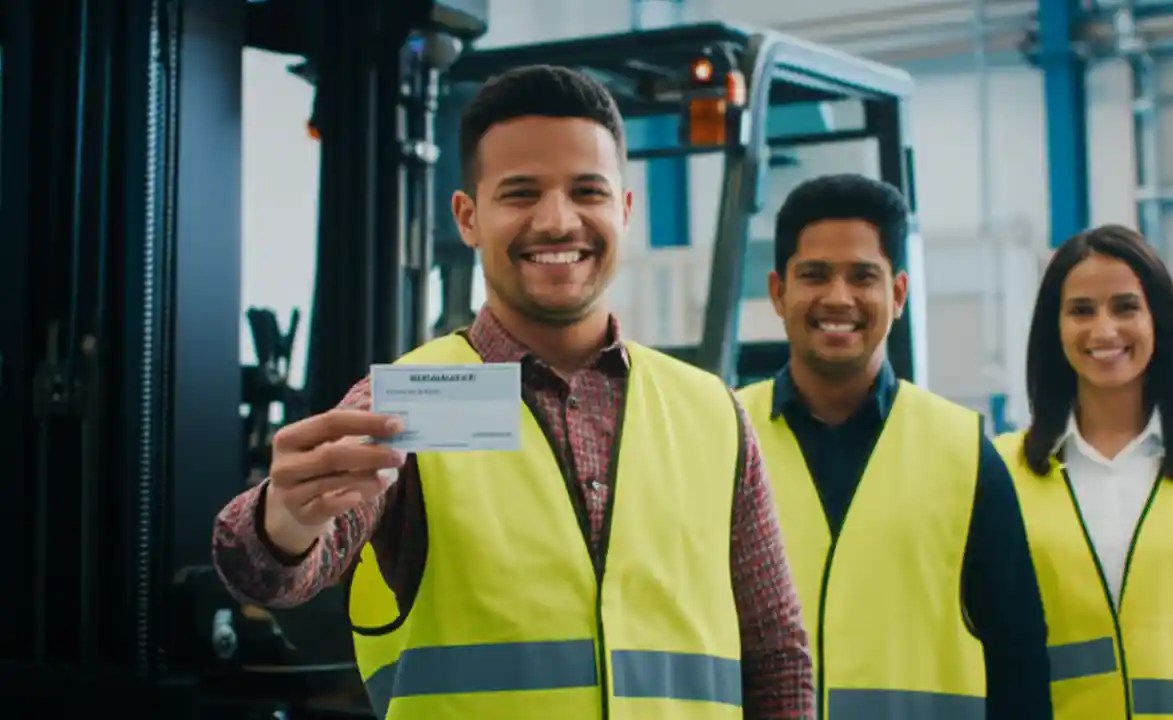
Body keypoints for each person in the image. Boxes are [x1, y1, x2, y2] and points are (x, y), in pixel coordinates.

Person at [212, 64, 815, 720]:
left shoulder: (710, 412)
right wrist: (287, 520)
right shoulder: (426, 398)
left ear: (626, 208)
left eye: (587, 191)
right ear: (468, 217)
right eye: (521, 193)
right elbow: (273, 572)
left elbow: (776, 652)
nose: (557, 221)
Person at [736, 173, 1054, 720]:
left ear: (898, 294)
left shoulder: (964, 454)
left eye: (863, 276)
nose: (838, 298)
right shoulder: (723, 437)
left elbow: (1019, 659)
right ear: (778, 293)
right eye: (814, 275)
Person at [993, 224, 1173, 719]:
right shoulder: (1003, 471)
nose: (1104, 330)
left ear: (1158, 321)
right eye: (1081, 310)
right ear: (1053, 328)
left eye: (1125, 307)